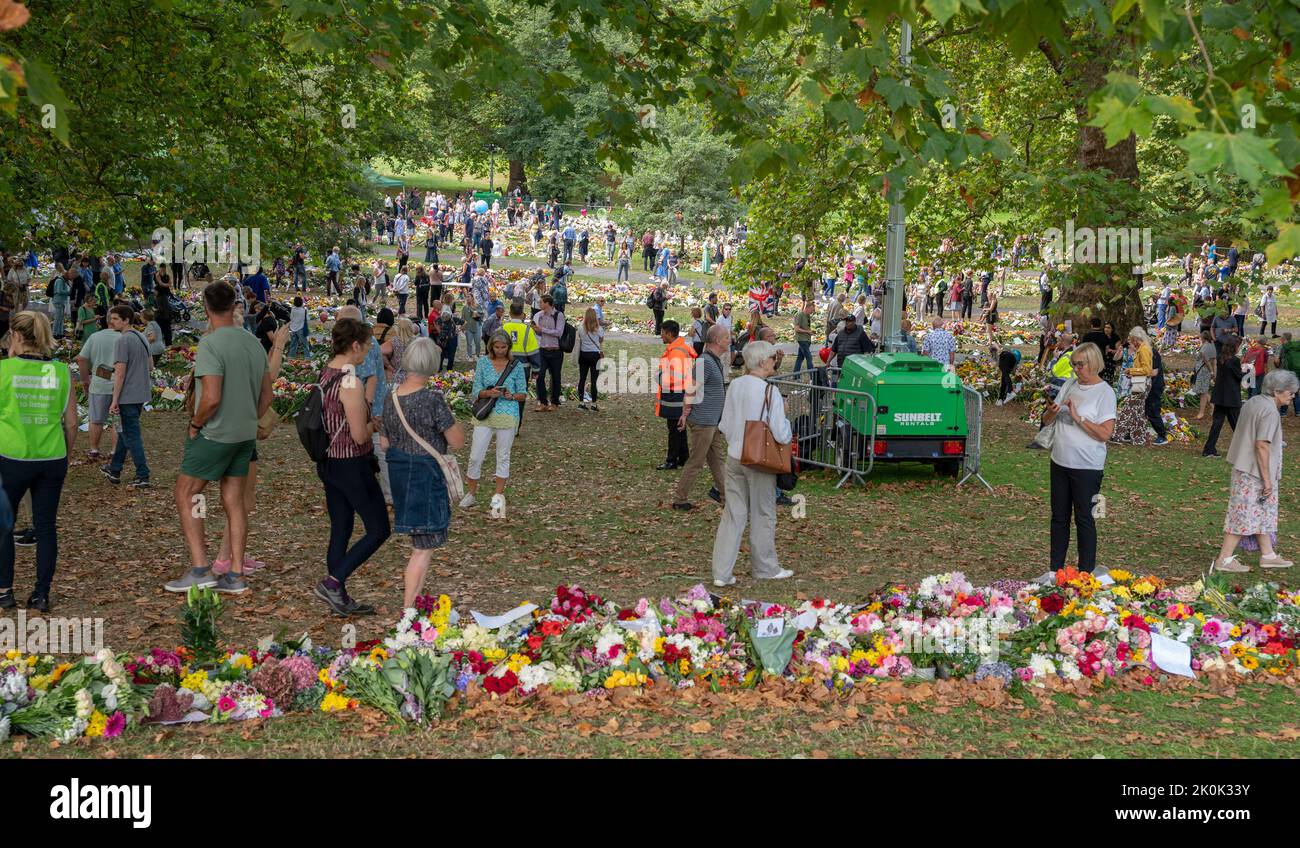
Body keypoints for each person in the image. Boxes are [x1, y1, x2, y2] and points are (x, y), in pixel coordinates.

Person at [164, 281, 273, 595]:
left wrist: (196, 424)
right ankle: (235, 574)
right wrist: (248, 418)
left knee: (187, 493)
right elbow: (267, 395)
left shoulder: (210, 344)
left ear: (206, 308)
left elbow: (211, 397)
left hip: (214, 434)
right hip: (243, 436)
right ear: (234, 306)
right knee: (233, 502)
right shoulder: (252, 342)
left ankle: (201, 568)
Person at [0, 312, 78, 612]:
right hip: (51, 457)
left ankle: (5, 591)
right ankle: (41, 593)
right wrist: (66, 457)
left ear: (16, 336)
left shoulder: (5, 371)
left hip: (12, 457)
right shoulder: (60, 372)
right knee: (46, 527)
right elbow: (71, 424)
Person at [380, 338, 465, 608]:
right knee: (422, 549)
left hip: (401, 478)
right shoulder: (432, 400)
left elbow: (384, 442)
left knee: (420, 544)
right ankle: (408, 610)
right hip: (425, 477)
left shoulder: (390, 399)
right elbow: (458, 441)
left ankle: (412, 605)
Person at [710, 341, 794, 587]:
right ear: (762, 361)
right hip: (759, 460)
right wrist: (786, 417)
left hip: (735, 456)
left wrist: (737, 439)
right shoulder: (771, 392)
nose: (774, 361)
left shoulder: (735, 385)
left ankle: (721, 573)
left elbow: (724, 424)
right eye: (771, 358)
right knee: (763, 513)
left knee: (733, 514)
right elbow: (781, 433)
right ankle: (765, 567)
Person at [1211, 369, 1299, 573]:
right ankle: (1224, 559)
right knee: (1243, 514)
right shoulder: (1269, 411)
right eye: (1290, 392)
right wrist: (1267, 480)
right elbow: (1261, 444)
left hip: (1244, 467)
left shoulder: (1254, 401)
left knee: (1261, 512)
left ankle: (1268, 555)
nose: (1292, 395)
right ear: (1277, 391)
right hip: (1254, 471)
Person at [1040, 342, 1116, 574]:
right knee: (1059, 518)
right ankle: (1056, 570)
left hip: (1087, 467)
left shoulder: (1105, 393)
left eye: (1079, 365)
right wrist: (1052, 412)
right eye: (1073, 365)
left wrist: (1077, 417)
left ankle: (1085, 573)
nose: (1075, 370)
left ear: (1093, 364)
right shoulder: (1071, 385)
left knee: (1084, 519)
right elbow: (1046, 420)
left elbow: (1105, 433)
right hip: (1060, 461)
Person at [461, 330, 527, 509]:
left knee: (503, 456)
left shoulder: (516, 366)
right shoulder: (483, 363)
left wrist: (511, 395)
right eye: (496, 347)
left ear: (509, 347)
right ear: (491, 347)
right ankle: (471, 493)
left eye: (503, 347)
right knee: (475, 456)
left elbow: (523, 393)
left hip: (507, 414)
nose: (500, 350)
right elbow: (476, 391)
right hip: (485, 414)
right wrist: (489, 393)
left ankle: (498, 495)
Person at [672, 324, 728, 511]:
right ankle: (680, 500)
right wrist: (684, 412)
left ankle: (727, 497)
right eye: (727, 337)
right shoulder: (705, 361)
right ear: (718, 341)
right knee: (696, 461)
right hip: (703, 422)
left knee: (718, 460)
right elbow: (691, 388)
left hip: (712, 421)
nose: (730, 340)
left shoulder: (714, 360)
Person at [102, 306, 154, 486]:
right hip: (140, 393)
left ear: (126, 320)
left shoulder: (123, 341)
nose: (112, 322)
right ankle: (114, 469)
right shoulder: (142, 337)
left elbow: (120, 373)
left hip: (127, 395)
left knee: (131, 435)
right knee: (125, 432)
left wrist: (114, 399)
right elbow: (150, 366)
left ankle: (143, 473)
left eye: (116, 319)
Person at [76, 313, 122, 460]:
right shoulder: (125, 338)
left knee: (96, 419)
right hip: (120, 385)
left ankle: (94, 450)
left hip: (99, 383)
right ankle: (115, 451)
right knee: (118, 421)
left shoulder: (95, 337)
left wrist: (85, 380)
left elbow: (81, 359)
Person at [656, 319, 696, 470]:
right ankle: (683, 457)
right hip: (678, 393)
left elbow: (673, 377)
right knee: (679, 427)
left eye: (662, 332)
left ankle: (672, 460)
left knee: (674, 428)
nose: (661, 335)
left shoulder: (676, 352)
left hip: (675, 394)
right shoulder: (679, 348)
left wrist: (658, 376)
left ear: (669, 333)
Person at [1111, 327, 1162, 445]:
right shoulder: (1143, 348)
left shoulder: (1143, 349)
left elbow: (1146, 369)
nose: (1130, 341)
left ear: (1135, 338)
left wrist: (1131, 371)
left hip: (1141, 382)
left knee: (1127, 408)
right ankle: (1138, 438)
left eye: (1131, 339)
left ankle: (1117, 435)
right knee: (1138, 411)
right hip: (1142, 382)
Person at [1203, 335, 1245, 457]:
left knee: (1217, 424)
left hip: (1220, 396)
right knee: (1237, 424)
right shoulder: (1234, 360)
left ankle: (1209, 448)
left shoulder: (1221, 357)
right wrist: (1246, 371)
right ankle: (1244, 448)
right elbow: (1239, 377)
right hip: (1231, 397)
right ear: (1235, 347)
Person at [532, 294, 565, 410]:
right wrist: (537, 331)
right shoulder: (540, 316)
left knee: (555, 377)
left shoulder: (558, 315)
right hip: (543, 349)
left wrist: (543, 330)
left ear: (547, 303)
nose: (539, 304)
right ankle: (543, 402)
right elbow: (541, 334)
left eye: (541, 302)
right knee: (539, 376)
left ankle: (554, 402)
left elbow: (559, 332)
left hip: (555, 351)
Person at [576, 307, 604, 410]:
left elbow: (579, 339)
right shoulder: (599, 329)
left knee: (582, 379)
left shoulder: (580, 327)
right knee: (594, 380)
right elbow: (601, 341)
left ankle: (581, 402)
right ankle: (594, 403)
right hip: (594, 355)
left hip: (583, 354)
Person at [1192, 329, 1216, 420]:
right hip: (1205, 372)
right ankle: (1213, 405)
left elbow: (1206, 361)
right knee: (1203, 390)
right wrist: (1213, 372)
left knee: (1202, 392)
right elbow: (1214, 360)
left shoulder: (1205, 347)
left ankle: (1201, 413)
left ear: (1204, 338)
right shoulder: (1212, 345)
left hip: (1202, 372)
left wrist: (1212, 372)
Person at [1275, 332, 1300, 418]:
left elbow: (1276, 360)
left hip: (1285, 372)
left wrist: (1277, 367)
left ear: (1283, 339)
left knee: (1285, 391)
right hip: (1296, 372)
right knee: (1296, 392)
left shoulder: (1281, 347)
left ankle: (1283, 412)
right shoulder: (1296, 347)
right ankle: (1298, 411)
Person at [792, 300, 814, 372]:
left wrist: (810, 331)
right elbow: (797, 329)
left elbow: (806, 327)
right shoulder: (799, 315)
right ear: (807, 308)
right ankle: (812, 376)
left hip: (807, 339)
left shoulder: (807, 316)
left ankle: (795, 375)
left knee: (800, 358)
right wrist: (808, 331)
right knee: (809, 357)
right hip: (802, 339)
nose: (812, 312)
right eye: (811, 310)